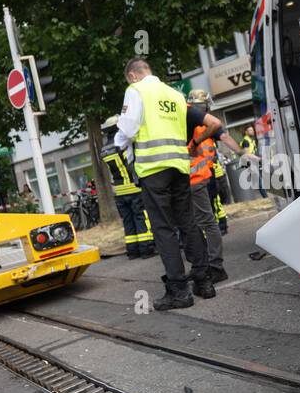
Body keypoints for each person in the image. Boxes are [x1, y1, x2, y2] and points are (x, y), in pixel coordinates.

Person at [108, 58, 216, 310]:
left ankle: (179, 291)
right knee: (188, 222)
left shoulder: (135, 90)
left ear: (133, 76)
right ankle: (204, 282)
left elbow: (129, 127)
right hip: (179, 166)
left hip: (152, 168)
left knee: (163, 228)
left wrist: (118, 143)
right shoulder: (175, 94)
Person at [185, 90, 244, 282]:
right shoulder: (208, 124)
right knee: (206, 222)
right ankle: (210, 265)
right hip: (204, 179)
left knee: (204, 223)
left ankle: (214, 267)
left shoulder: (188, 119)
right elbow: (226, 138)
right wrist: (242, 153)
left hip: (193, 180)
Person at [100, 123, 155, 260]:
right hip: (132, 187)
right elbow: (130, 164)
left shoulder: (104, 149)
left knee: (128, 220)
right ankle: (146, 248)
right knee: (141, 217)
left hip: (119, 190)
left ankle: (132, 250)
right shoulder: (122, 144)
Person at [241, 125, 265, 197]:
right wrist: (258, 158)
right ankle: (265, 197)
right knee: (260, 183)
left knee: (260, 182)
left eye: (252, 130)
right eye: (250, 130)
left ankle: (265, 196)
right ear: (246, 132)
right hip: (251, 163)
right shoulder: (246, 141)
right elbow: (247, 154)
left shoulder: (251, 139)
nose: (252, 131)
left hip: (254, 163)